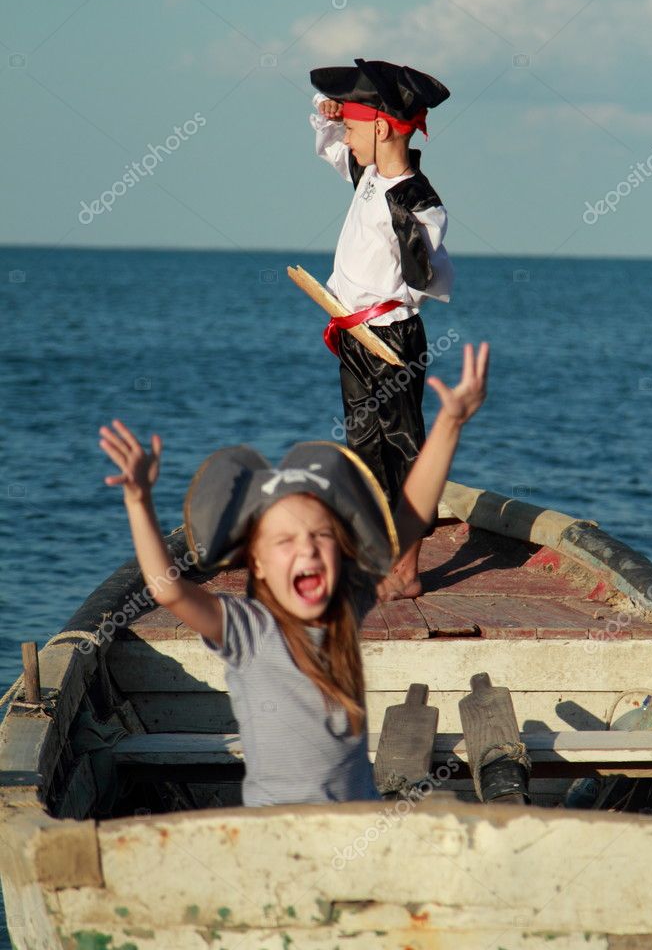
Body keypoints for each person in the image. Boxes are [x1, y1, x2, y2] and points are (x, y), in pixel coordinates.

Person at [99, 342, 489, 808]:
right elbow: (166, 589)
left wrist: (449, 423)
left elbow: (408, 518)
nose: (305, 546)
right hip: (278, 837)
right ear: (257, 563)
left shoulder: (347, 604)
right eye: (284, 541)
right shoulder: (247, 628)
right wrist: (138, 500)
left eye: (320, 535)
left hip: (355, 823)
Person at [309, 57, 454, 600]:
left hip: (391, 337)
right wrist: (329, 116)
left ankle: (409, 565)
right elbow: (333, 148)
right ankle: (377, 552)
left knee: (403, 445)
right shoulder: (368, 176)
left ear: (381, 126)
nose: (344, 136)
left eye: (351, 126)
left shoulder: (415, 197)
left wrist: (412, 235)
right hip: (355, 336)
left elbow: (424, 269)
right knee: (363, 443)